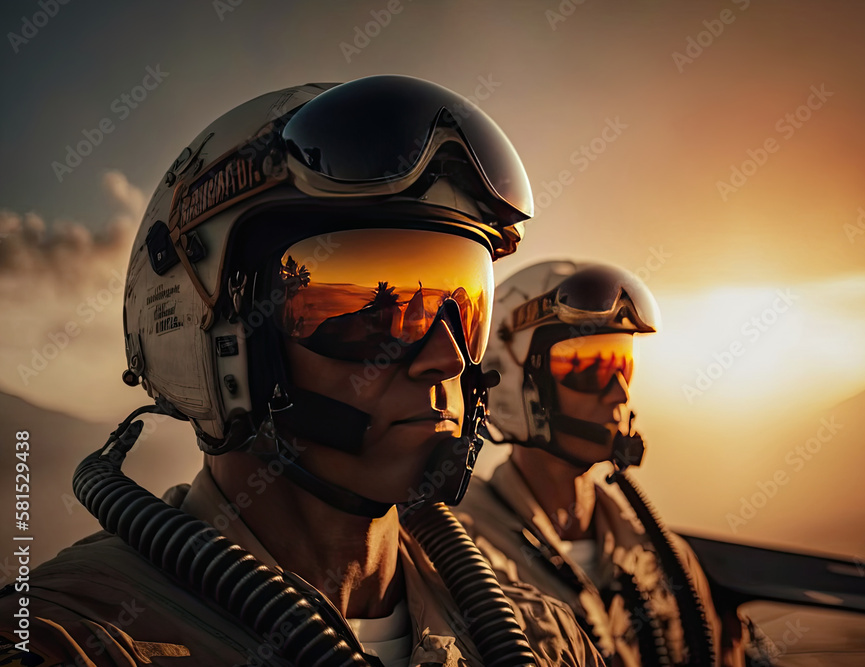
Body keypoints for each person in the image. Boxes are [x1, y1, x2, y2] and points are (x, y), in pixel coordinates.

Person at [0, 76, 604, 667]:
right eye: (380, 327)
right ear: (221, 338)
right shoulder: (74, 637)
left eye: (465, 307)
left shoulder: (545, 642)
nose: (447, 358)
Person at [456, 260, 757, 667]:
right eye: (586, 368)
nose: (619, 394)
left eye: (622, 364)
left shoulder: (665, 558)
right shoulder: (460, 556)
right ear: (514, 381)